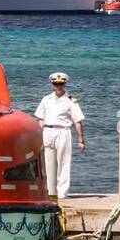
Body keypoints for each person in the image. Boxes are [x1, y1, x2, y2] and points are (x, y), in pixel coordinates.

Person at [34, 71, 85, 202]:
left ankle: (62, 192)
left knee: (63, 162)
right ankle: (50, 191)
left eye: (61, 84)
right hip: (48, 131)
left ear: (65, 84)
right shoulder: (46, 99)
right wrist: (38, 135)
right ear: (52, 84)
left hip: (63, 132)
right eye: (56, 84)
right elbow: (40, 119)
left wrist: (81, 140)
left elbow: (77, 121)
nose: (58, 86)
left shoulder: (71, 101)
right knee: (48, 162)